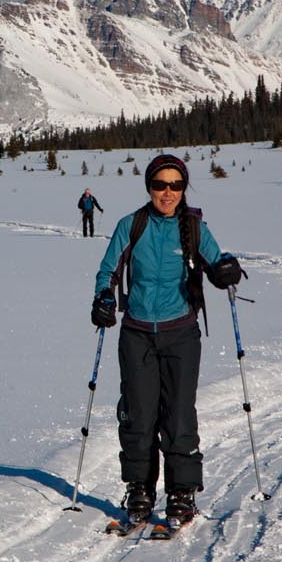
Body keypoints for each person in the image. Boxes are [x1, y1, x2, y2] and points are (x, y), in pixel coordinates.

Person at [89, 154, 245, 527]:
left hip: (181, 333)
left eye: (176, 185)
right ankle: (139, 486)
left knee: (178, 412)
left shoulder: (192, 227)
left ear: (184, 188)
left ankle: (182, 490)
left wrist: (228, 270)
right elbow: (107, 270)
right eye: (161, 185)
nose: (168, 192)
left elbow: (216, 260)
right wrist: (103, 299)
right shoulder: (132, 225)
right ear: (149, 187)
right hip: (137, 332)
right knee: (138, 412)